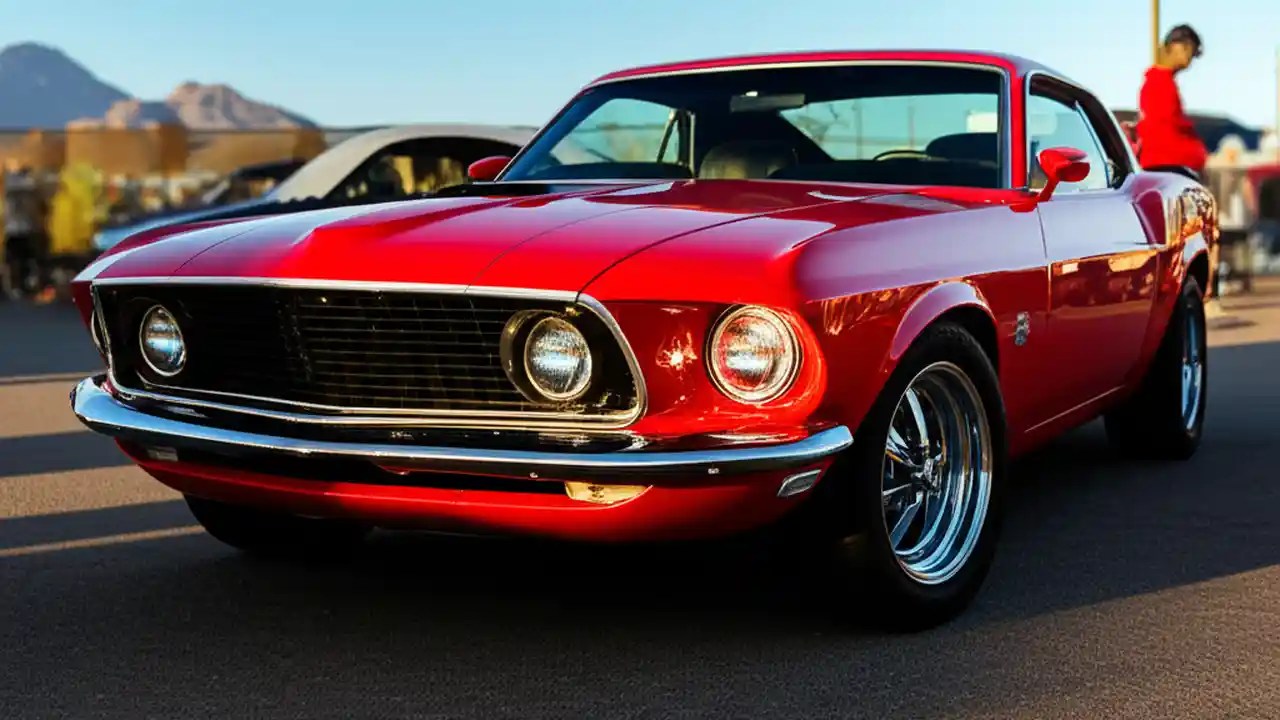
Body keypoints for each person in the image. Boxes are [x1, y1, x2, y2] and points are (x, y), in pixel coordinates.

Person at [1135, 24, 1207, 177]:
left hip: (1162, 166)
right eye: (1187, 48)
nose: (1189, 56)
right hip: (1167, 168)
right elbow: (1165, 133)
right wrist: (1199, 154)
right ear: (1173, 45)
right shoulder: (1160, 82)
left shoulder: (1159, 81)